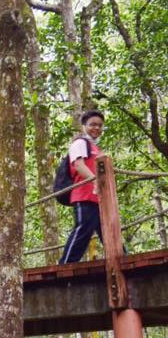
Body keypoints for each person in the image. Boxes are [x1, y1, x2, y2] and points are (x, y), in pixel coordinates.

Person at [60, 110, 106, 264]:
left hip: (98, 197)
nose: (96, 128)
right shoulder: (79, 143)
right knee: (83, 229)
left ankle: (123, 257)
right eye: (92, 124)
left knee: (107, 228)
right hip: (84, 195)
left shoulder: (96, 148)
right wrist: (95, 181)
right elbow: (79, 165)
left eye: (99, 126)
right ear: (84, 126)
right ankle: (65, 265)